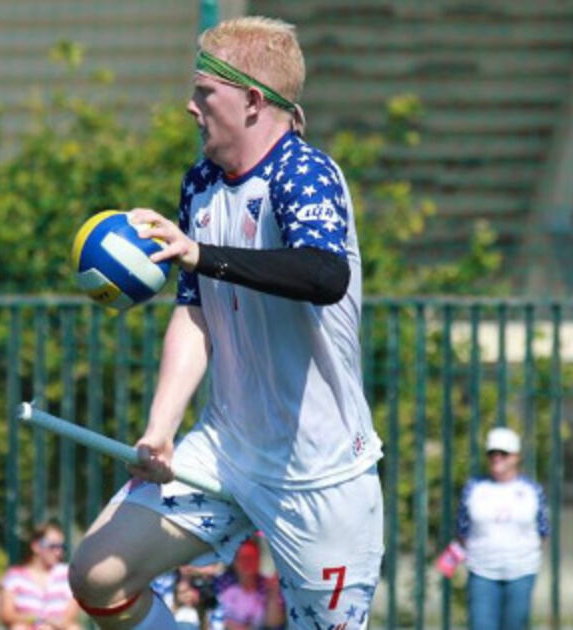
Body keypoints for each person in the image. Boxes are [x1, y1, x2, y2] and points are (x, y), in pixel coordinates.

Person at [68, 16, 384, 630]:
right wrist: (160, 428)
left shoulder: (304, 172)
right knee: (97, 576)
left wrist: (201, 253)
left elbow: (325, 276)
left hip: (320, 477)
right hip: (226, 452)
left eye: (205, 91)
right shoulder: (202, 184)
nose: (191, 106)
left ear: (251, 101)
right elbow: (196, 313)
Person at [455, 427, 548, 630]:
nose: (497, 458)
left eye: (503, 453)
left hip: (521, 572)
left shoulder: (532, 490)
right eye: (492, 454)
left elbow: (542, 531)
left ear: (516, 457)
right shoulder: (474, 488)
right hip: (482, 572)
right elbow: (462, 530)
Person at [0, 520, 81, 630]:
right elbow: (6, 615)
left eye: (61, 547)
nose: (58, 552)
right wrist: (38, 620)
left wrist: (51, 625)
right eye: (53, 546)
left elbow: (69, 617)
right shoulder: (14, 576)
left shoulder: (67, 575)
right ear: (36, 546)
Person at [216, 539, 284, 630]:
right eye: (244, 558)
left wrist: (273, 592)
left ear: (258, 561)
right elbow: (219, 620)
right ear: (235, 563)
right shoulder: (223, 583)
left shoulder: (268, 586)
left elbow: (274, 625)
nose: (247, 563)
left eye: (252, 558)